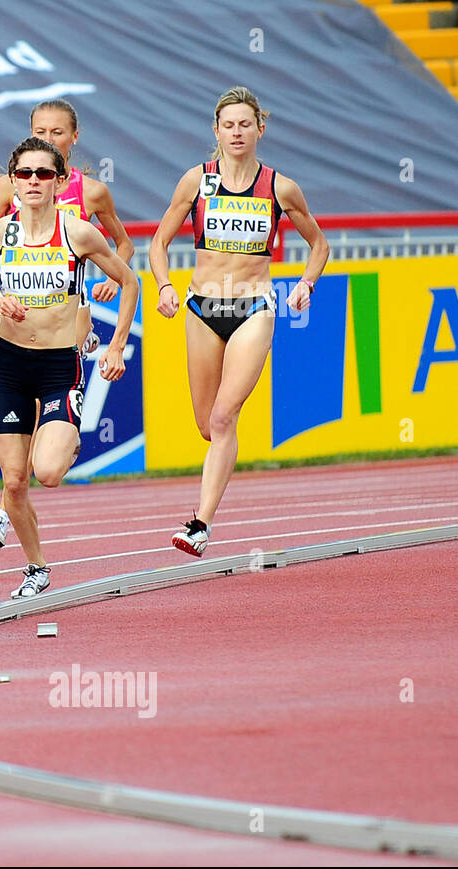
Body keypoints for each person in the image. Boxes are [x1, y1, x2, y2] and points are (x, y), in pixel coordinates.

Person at [149, 87, 327, 557]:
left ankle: (200, 523)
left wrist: (307, 283)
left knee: (226, 416)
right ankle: (212, 487)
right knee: (207, 425)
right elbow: (158, 244)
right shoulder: (196, 181)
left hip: (253, 308)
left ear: (259, 129)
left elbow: (320, 245)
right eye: (228, 125)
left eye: (245, 124)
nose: (237, 132)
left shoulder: (280, 187)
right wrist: (165, 286)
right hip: (203, 309)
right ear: (216, 130)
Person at [0, 137, 139, 598]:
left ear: (60, 181)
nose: (33, 181)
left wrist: (116, 346)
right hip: (10, 365)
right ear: (13, 181)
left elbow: (130, 280)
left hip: (61, 363)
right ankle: (36, 567)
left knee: (49, 472)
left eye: (43, 174)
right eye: (24, 174)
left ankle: (66, 436)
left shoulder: (77, 232)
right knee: (14, 482)